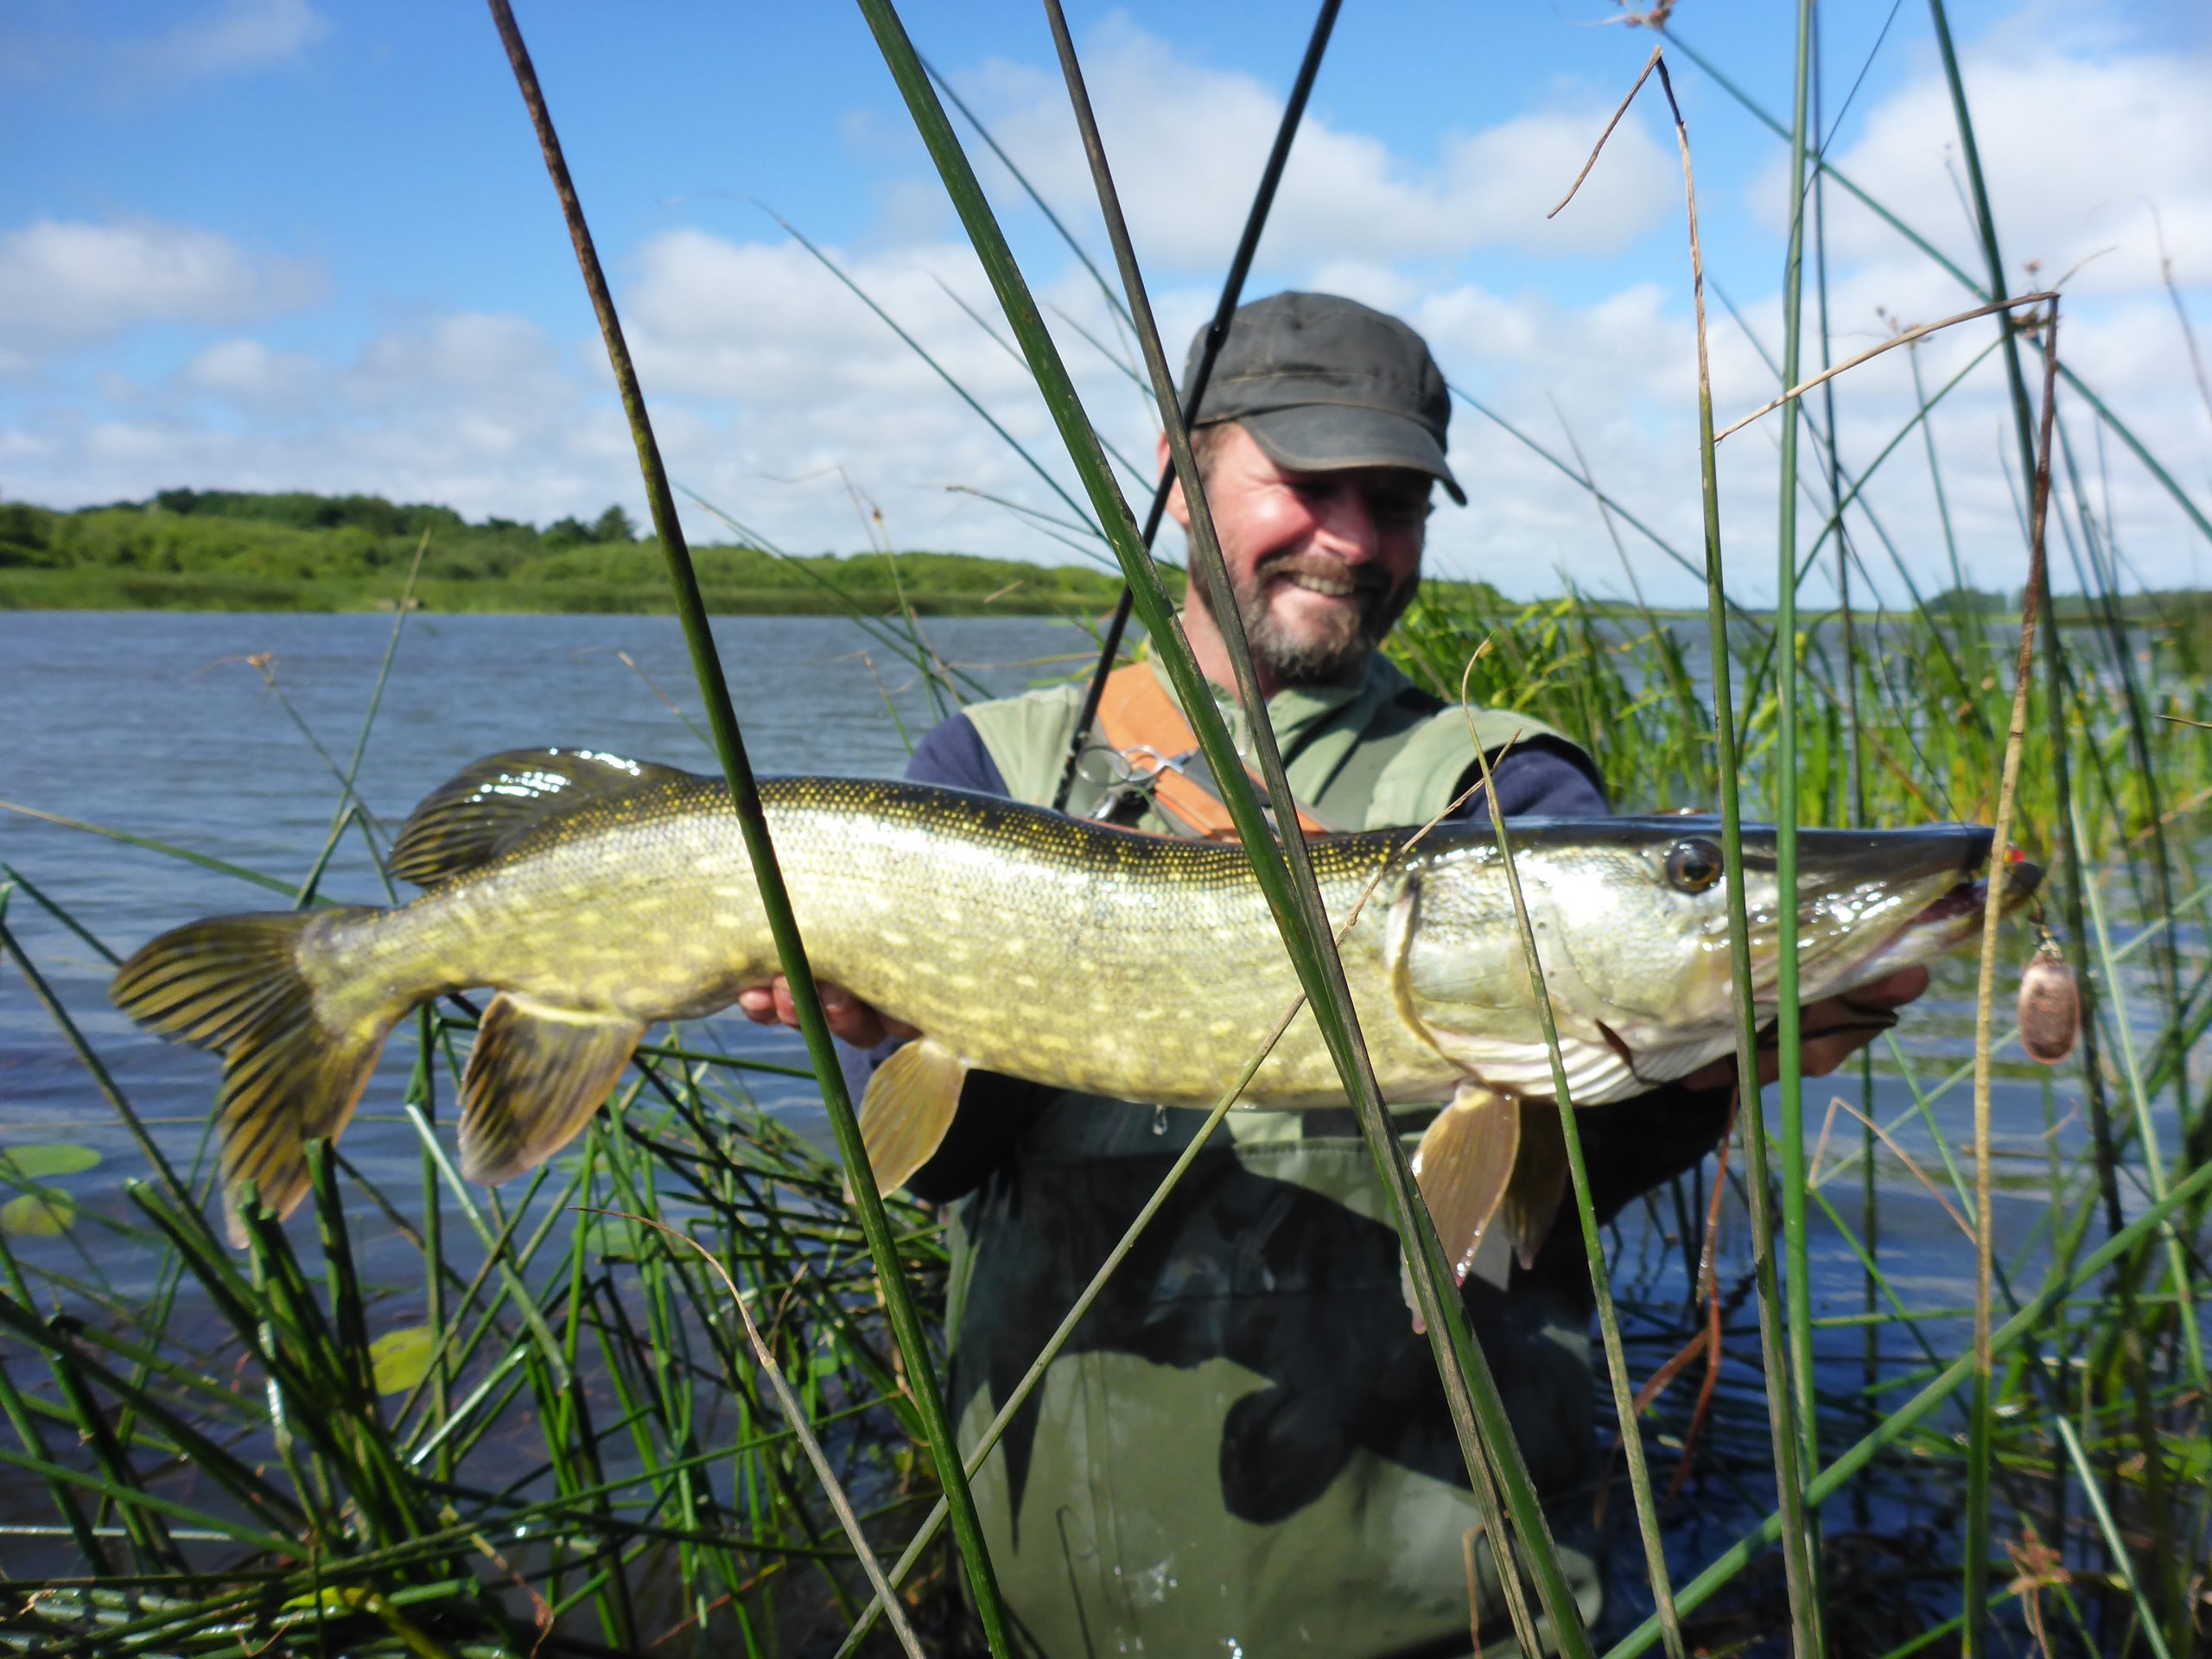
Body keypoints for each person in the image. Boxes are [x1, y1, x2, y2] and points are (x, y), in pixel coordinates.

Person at [739, 292, 1925, 1656]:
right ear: (1183, 480)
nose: (1354, 542)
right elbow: (937, 1170)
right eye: (1307, 484)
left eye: (1399, 500)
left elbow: (1547, 1211)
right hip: (1063, 1591)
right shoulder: (987, 773)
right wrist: (900, 1018)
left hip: (1443, 1604)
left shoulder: (1506, 785)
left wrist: (1702, 1067)